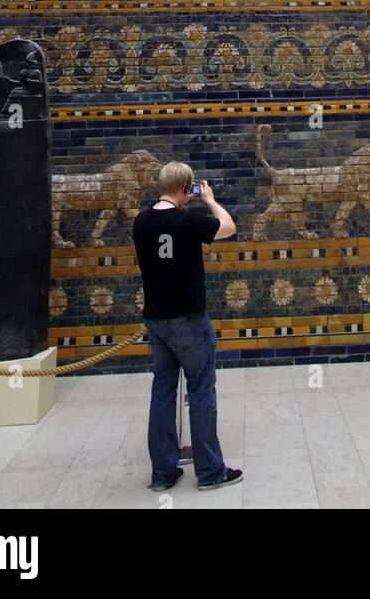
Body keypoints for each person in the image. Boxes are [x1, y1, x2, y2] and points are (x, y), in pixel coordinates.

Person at [132, 161, 242, 493]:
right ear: (186, 189)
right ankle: (209, 471)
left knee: (163, 392)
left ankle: (163, 472)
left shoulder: (141, 222)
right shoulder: (188, 220)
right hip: (190, 321)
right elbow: (229, 226)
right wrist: (208, 199)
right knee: (201, 391)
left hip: (156, 321)